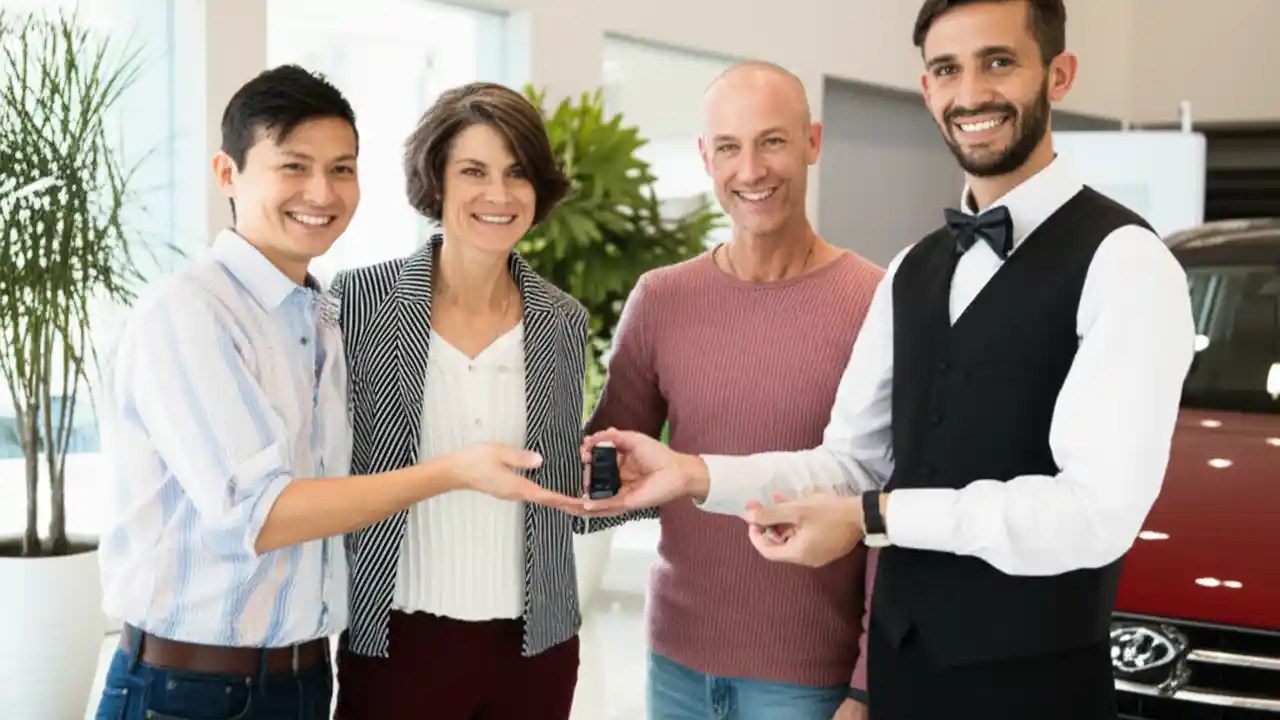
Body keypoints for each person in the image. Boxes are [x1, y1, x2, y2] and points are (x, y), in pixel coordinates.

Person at [579, 1, 1196, 718]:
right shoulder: (913, 270)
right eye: (945, 69)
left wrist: (878, 517)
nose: (970, 93)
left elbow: (1094, 513)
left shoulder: (1127, 262)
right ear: (927, 89)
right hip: (907, 684)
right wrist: (691, 473)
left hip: (1034, 688)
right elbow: (849, 461)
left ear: (1058, 75)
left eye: (998, 62)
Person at [93, 66, 568, 720]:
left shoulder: (314, 317)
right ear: (228, 174)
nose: (322, 191)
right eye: (294, 166)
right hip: (190, 689)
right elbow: (262, 513)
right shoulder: (192, 313)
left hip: (301, 678)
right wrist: (453, 472)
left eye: (341, 168)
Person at [583, 61, 885, 720]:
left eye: (772, 141)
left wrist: (866, 686)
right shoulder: (662, 298)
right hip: (677, 662)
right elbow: (611, 471)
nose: (750, 170)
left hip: (811, 677)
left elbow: (889, 502)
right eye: (728, 147)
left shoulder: (876, 301)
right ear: (705, 157)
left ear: (813, 142)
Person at [329, 82, 592, 720]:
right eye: (473, 171)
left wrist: (623, 482)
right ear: (436, 182)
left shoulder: (562, 320)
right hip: (397, 638)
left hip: (535, 649)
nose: (498, 195)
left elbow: (558, 486)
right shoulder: (359, 300)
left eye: (517, 173)